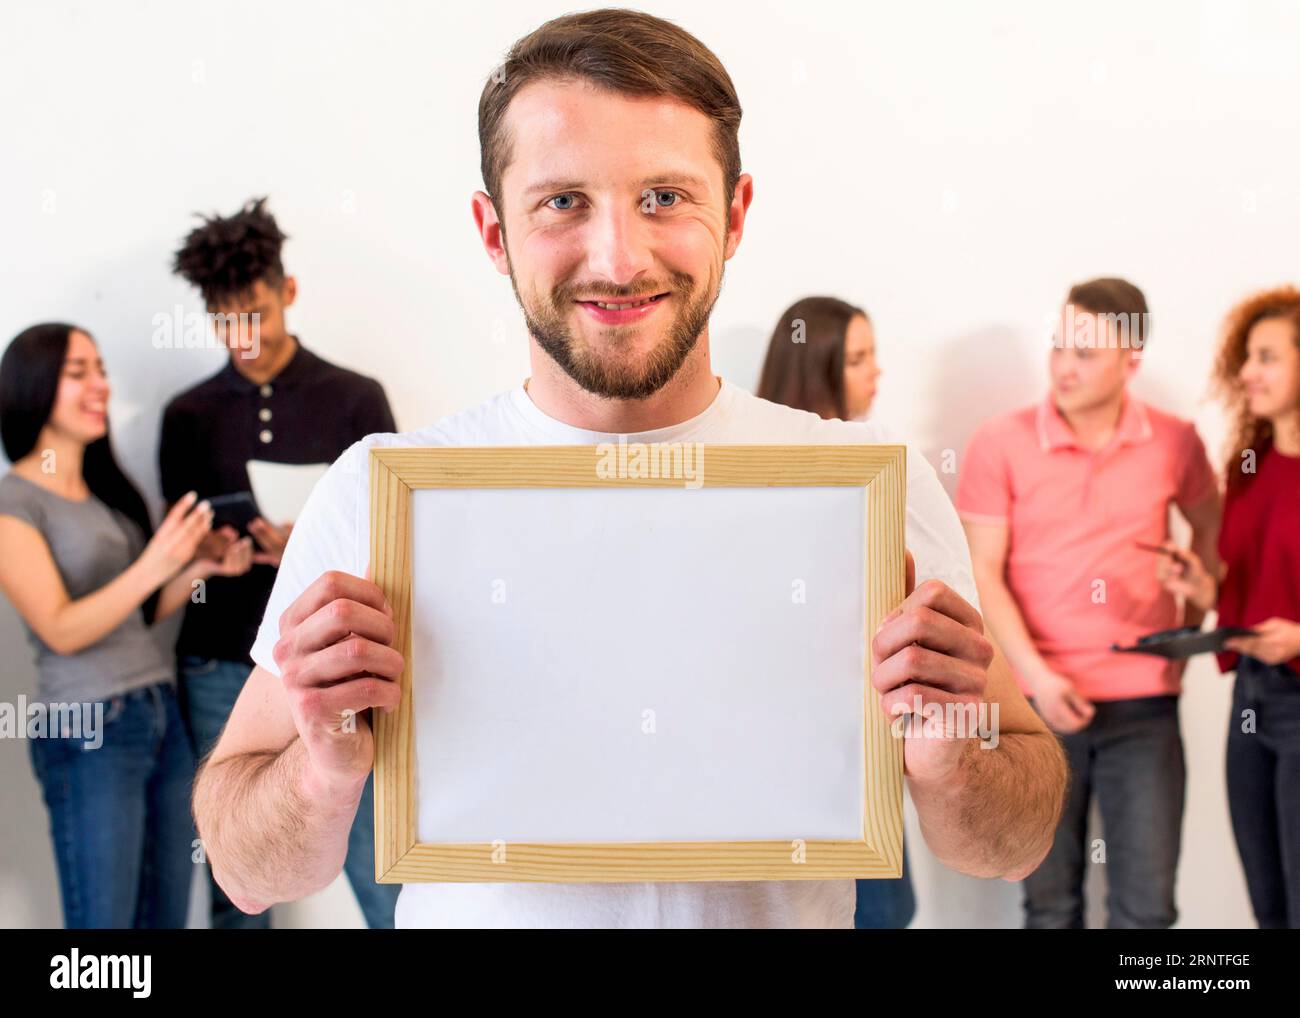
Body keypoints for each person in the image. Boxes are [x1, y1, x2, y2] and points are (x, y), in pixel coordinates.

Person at [193, 8, 1066, 929]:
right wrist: (321, 766)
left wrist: (949, 753)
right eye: (563, 201)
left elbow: (1012, 847)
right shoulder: (381, 493)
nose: (617, 259)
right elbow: (247, 873)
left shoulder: (868, 485)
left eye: (664, 197)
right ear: (495, 233)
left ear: (734, 216)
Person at [161, 197, 399, 929]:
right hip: (219, 662)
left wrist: (311, 542)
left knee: (376, 862)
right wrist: (216, 557)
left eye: (256, 313)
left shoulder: (355, 399)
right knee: (238, 871)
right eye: (226, 321)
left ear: (287, 293)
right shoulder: (187, 416)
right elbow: (181, 551)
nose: (245, 338)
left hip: (337, 670)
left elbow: (395, 540)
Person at [957, 277, 1221, 928]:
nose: (1063, 368)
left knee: (1148, 911)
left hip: (1145, 709)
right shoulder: (1000, 441)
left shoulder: (1176, 441)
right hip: (1033, 710)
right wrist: (1040, 681)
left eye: (1085, 353)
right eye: (1058, 347)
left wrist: (1193, 618)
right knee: (1049, 906)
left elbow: (1212, 540)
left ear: (1131, 361)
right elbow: (981, 574)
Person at [0, 323, 250, 928]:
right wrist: (156, 564)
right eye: (77, 372)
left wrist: (199, 567)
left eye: (101, 369)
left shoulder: (102, 495)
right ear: (33, 386)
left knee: (162, 922)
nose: (100, 385)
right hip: (90, 729)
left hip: (159, 716)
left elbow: (135, 616)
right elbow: (60, 628)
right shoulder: (16, 502)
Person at [757, 296, 911, 928]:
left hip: (862, 750)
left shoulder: (881, 472)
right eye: (857, 358)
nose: (876, 372)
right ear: (815, 367)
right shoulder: (761, 477)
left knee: (882, 909)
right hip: (792, 762)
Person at [1158, 285, 1300, 928]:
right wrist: (1205, 589)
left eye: (1267, 357)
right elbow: (1251, 587)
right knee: (1268, 907)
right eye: (1246, 357)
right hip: (1251, 697)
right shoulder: (1250, 463)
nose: (1248, 373)